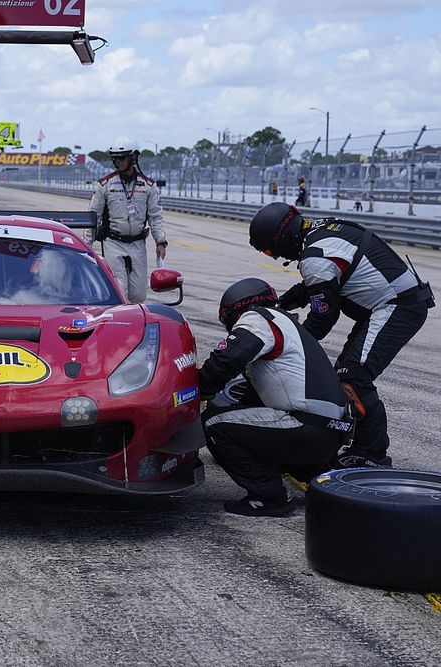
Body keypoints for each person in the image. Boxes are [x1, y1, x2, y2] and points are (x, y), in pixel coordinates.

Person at [249, 202, 433, 467]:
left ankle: (372, 455)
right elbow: (319, 284)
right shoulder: (322, 230)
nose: (275, 257)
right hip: (389, 304)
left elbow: (323, 318)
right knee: (345, 374)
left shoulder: (314, 256)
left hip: (397, 307)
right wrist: (282, 304)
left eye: (270, 250)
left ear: (283, 238)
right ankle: (357, 442)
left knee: (353, 379)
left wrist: (289, 344)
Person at [200, 278, 351, 517]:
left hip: (306, 428)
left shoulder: (258, 319)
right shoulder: (289, 325)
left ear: (234, 310)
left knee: (213, 423)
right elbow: (253, 401)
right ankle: (315, 477)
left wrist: (195, 388)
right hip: (331, 432)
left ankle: (268, 497)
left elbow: (225, 360)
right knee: (249, 422)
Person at [89, 135, 167, 303]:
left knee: (138, 295)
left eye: (121, 158)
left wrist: (160, 241)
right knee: (120, 290)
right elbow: (93, 217)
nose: (117, 162)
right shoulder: (104, 185)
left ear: (133, 157)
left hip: (138, 244)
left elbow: (155, 216)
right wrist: (86, 246)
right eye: (114, 158)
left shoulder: (148, 186)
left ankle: (134, 316)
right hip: (113, 243)